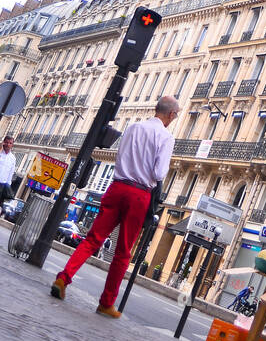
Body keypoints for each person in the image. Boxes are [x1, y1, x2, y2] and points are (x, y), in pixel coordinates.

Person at [49, 96, 180, 318]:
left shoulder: (133, 128)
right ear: (171, 115)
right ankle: (106, 302)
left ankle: (63, 277)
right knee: (122, 252)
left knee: (92, 239)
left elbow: (120, 157)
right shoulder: (166, 136)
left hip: (117, 186)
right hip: (139, 194)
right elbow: (158, 174)